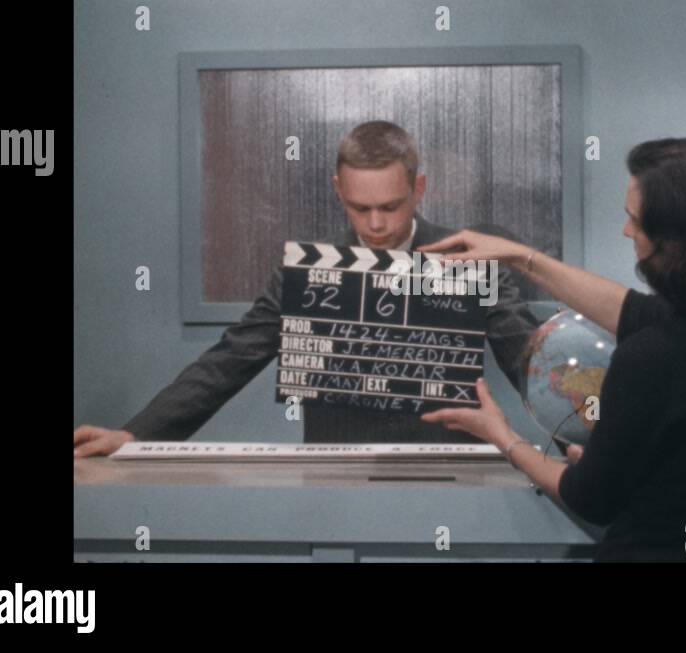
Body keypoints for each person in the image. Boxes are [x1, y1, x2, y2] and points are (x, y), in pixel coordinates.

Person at [419, 137, 686, 562]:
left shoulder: (651, 358)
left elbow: (589, 500)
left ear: (677, 243)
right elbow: (634, 311)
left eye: (635, 222)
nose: (626, 231)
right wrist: (520, 257)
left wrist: (503, 437)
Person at [74, 121, 540, 457]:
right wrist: (136, 437)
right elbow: (229, 360)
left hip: (449, 469)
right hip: (337, 469)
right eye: (359, 207)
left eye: (390, 206)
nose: (375, 224)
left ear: (419, 189)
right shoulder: (306, 271)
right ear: (338, 190)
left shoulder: (470, 260)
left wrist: (586, 444)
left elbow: (528, 358)